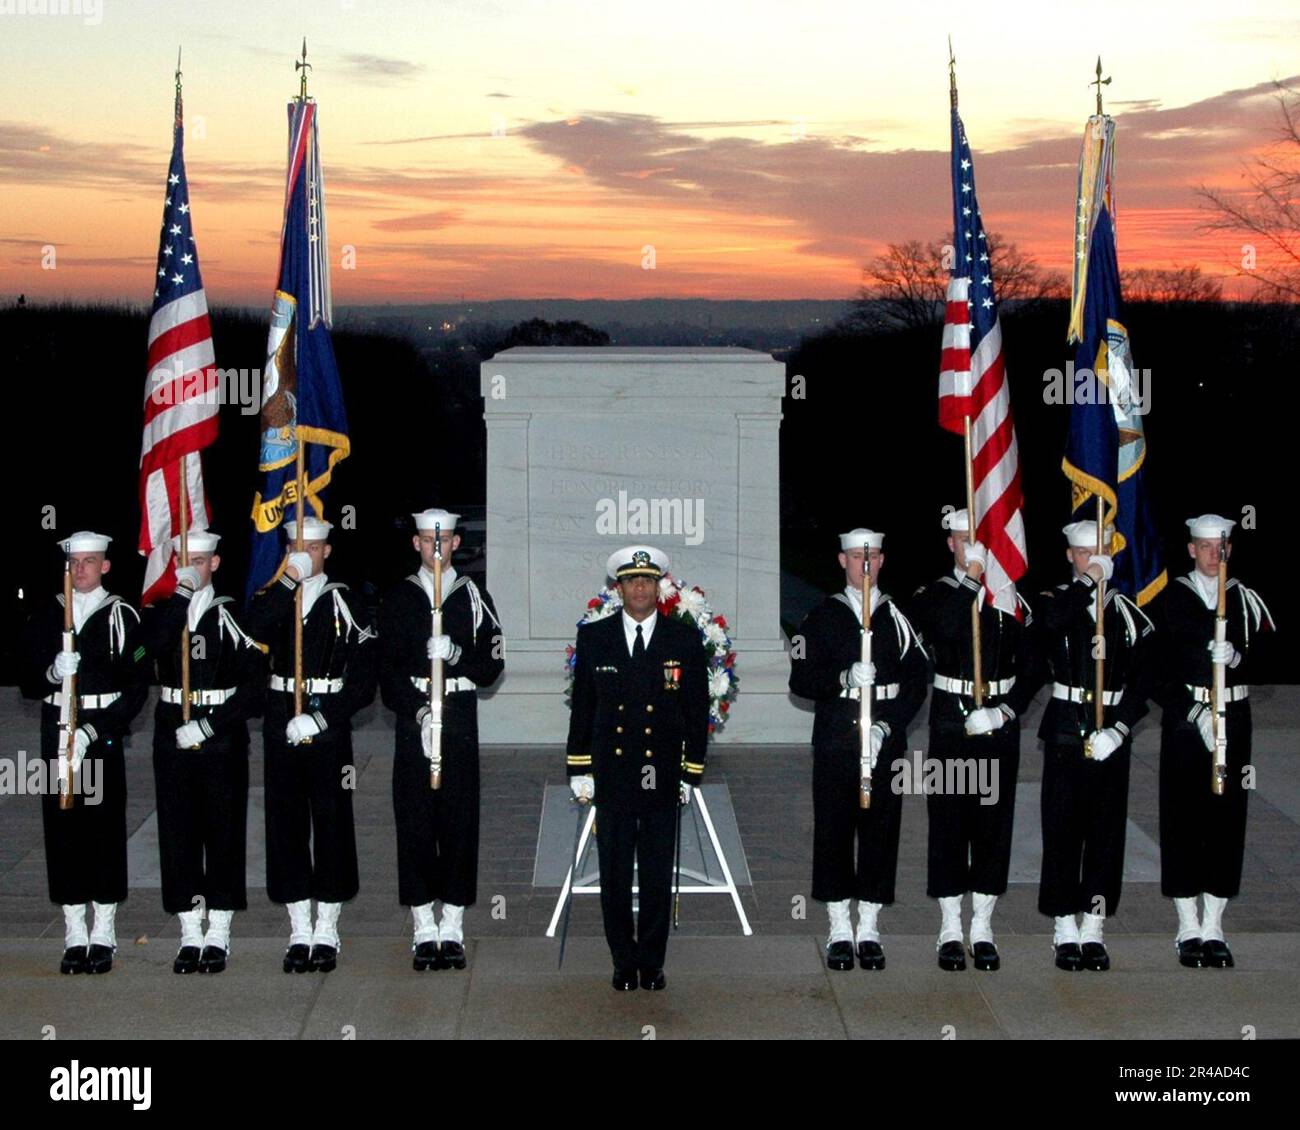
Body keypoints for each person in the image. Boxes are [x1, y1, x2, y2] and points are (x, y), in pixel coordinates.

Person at [566, 546, 710, 991]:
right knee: (613, 873)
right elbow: (583, 709)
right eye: (631, 581)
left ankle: (652, 960)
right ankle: (622, 960)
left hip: (662, 774)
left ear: (659, 586)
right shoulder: (596, 638)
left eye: (648, 580)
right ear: (619, 588)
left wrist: (690, 772)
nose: (640, 588)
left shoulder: (683, 640)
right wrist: (579, 767)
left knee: (654, 872)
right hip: (613, 775)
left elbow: (696, 709)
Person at [789, 528, 928, 971]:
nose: (862, 565)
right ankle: (839, 927)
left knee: (880, 828)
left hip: (884, 738)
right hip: (836, 736)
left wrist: (888, 726)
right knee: (833, 827)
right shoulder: (823, 616)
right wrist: (843, 678)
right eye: (854, 557)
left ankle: (869, 926)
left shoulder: (897, 617)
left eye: (870, 558)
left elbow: (916, 683)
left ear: (882, 561)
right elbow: (801, 680)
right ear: (841, 560)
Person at [908, 508, 1038, 971]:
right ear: (950, 544)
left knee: (993, 824)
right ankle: (949, 928)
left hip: (998, 723)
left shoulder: (1008, 598)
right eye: (964, 540)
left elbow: (1034, 664)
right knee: (948, 823)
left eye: (978, 540)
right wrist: (972, 579)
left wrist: (1006, 709)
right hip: (951, 722)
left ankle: (982, 926)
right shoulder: (935, 593)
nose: (971, 548)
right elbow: (941, 628)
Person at [244, 517, 376, 973]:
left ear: (327, 551)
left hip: (328, 718)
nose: (305, 554)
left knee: (331, 817)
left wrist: (322, 718)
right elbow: (255, 632)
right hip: (282, 712)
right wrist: (288, 580)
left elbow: (362, 683)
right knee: (285, 819)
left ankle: (328, 925)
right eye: (296, 547)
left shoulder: (346, 601)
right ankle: (299, 925)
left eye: (313, 548)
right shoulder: (274, 595)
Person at [20, 532, 150, 975]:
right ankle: (74, 930)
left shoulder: (122, 615)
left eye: (90, 562)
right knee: (63, 827)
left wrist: (94, 731)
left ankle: (104, 931)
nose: (81, 570)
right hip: (57, 731)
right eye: (74, 563)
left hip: (100, 734)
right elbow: (28, 681)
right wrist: (52, 670)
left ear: (105, 567)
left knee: (103, 828)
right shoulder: (49, 615)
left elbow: (136, 689)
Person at [379, 508, 503, 971]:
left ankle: (452, 923)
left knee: (458, 816)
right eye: (429, 541)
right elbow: (385, 672)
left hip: (458, 715)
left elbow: (493, 662)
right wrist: (415, 711)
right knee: (414, 817)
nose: (437, 547)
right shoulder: (399, 598)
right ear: (416, 544)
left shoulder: (472, 596)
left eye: (445, 540)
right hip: (416, 718)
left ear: (455, 544)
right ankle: (422, 924)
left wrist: (457, 654)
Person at [142, 531, 265, 974]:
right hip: (172, 727)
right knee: (178, 831)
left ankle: (220, 930)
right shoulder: (163, 613)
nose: (193, 566)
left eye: (201, 559)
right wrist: (178, 602)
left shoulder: (233, 614)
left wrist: (211, 725)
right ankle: (190, 929)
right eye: (185, 559)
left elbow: (255, 686)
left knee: (223, 829)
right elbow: (142, 655)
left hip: (221, 733)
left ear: (215, 563)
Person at [1155, 514, 1275, 969]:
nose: (1212, 554)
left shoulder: (1243, 600)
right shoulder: (1172, 600)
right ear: (1191, 550)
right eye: (1204, 546)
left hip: (1235, 716)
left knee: (1226, 817)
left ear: (1229, 550)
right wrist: (1192, 713)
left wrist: (1239, 656)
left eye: (1219, 547)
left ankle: (1214, 925)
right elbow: (1156, 672)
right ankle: (1187, 925)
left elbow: (1271, 656)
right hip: (1190, 720)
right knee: (1183, 817)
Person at [1036, 520, 1154, 972]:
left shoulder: (1125, 613)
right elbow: (1050, 624)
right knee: (1063, 828)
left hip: (1112, 731)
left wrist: (1121, 728)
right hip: (1067, 728)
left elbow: (1146, 679)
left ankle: (1094, 927)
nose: (1091, 560)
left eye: (1098, 554)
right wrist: (1087, 584)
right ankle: (1064, 926)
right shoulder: (1056, 601)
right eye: (1082, 554)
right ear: (1071, 556)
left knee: (1105, 835)